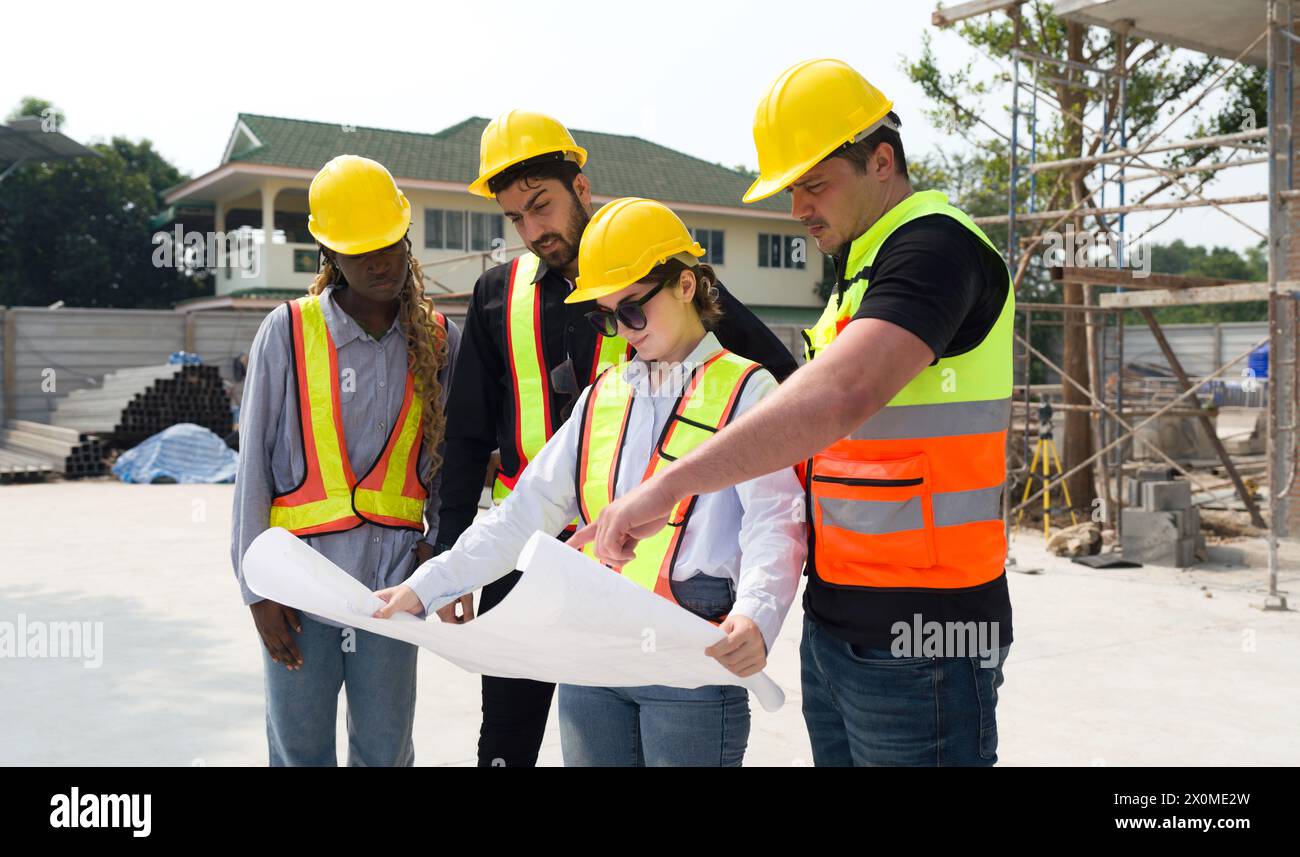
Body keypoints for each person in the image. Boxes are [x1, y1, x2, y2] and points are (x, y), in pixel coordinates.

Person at [571, 59, 1015, 767]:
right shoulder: (862, 269)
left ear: (880, 160)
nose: (798, 208)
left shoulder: (936, 247)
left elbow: (840, 395)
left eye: (814, 183)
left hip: (924, 638)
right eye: (791, 188)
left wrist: (669, 485)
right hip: (843, 627)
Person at [374, 197, 806, 767]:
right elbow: (523, 513)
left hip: (693, 651)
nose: (623, 330)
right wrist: (428, 585)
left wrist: (757, 614)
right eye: (607, 316)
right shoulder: (604, 396)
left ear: (684, 286)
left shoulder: (750, 392)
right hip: (592, 654)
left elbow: (776, 523)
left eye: (632, 310)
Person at [230, 155, 461, 766]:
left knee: (385, 752)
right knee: (300, 751)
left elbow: (448, 463)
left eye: (389, 245)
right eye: (361, 253)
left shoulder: (439, 339)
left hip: (392, 588)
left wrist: (439, 549)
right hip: (298, 588)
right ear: (329, 253)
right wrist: (256, 590)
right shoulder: (287, 331)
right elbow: (251, 465)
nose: (381, 263)